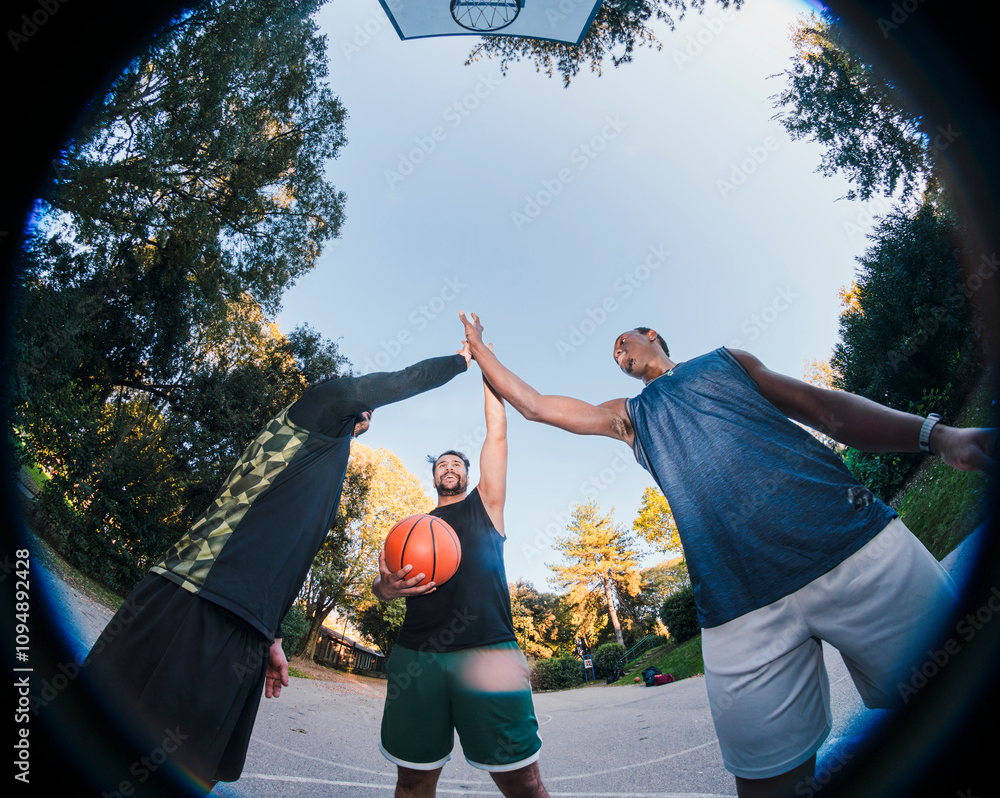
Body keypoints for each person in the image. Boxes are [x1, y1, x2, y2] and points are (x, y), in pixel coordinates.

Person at [458, 311, 996, 798]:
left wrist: (938, 437)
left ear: (652, 335)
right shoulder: (632, 416)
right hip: (738, 606)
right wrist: (481, 349)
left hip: (854, 546)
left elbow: (823, 407)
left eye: (623, 342)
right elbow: (535, 406)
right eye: (613, 356)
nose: (619, 354)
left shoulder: (725, 362)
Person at [80, 347, 471, 795]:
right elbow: (403, 379)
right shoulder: (322, 403)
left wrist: (275, 636)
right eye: (365, 408)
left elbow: (285, 553)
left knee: (185, 768)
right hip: (198, 593)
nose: (369, 415)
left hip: (246, 620)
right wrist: (462, 359)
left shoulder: (319, 458)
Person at [372, 365, 550, 798]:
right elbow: (380, 588)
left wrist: (485, 365)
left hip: (488, 651)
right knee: (412, 779)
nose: (449, 468)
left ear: (467, 475)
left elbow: (497, 431)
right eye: (442, 464)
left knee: (522, 781)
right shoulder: (412, 528)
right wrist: (386, 590)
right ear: (434, 477)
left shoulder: (485, 506)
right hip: (418, 656)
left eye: (457, 463)